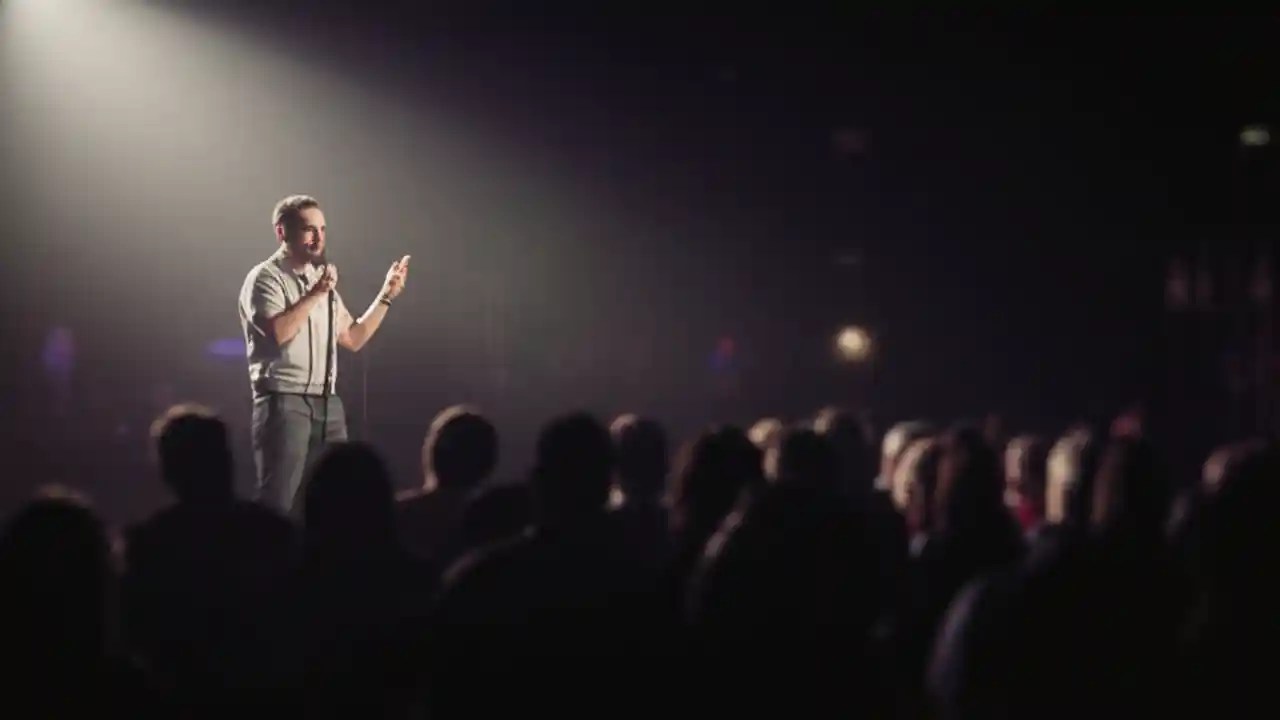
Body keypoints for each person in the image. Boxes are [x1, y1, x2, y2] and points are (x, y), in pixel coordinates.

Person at [238, 194, 411, 516]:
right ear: (281, 232)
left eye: (322, 229)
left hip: (327, 402)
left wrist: (386, 296)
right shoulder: (265, 278)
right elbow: (279, 333)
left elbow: (353, 337)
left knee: (337, 499)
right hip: (284, 400)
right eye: (308, 229)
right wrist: (315, 293)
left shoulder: (321, 282)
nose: (318, 237)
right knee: (278, 500)